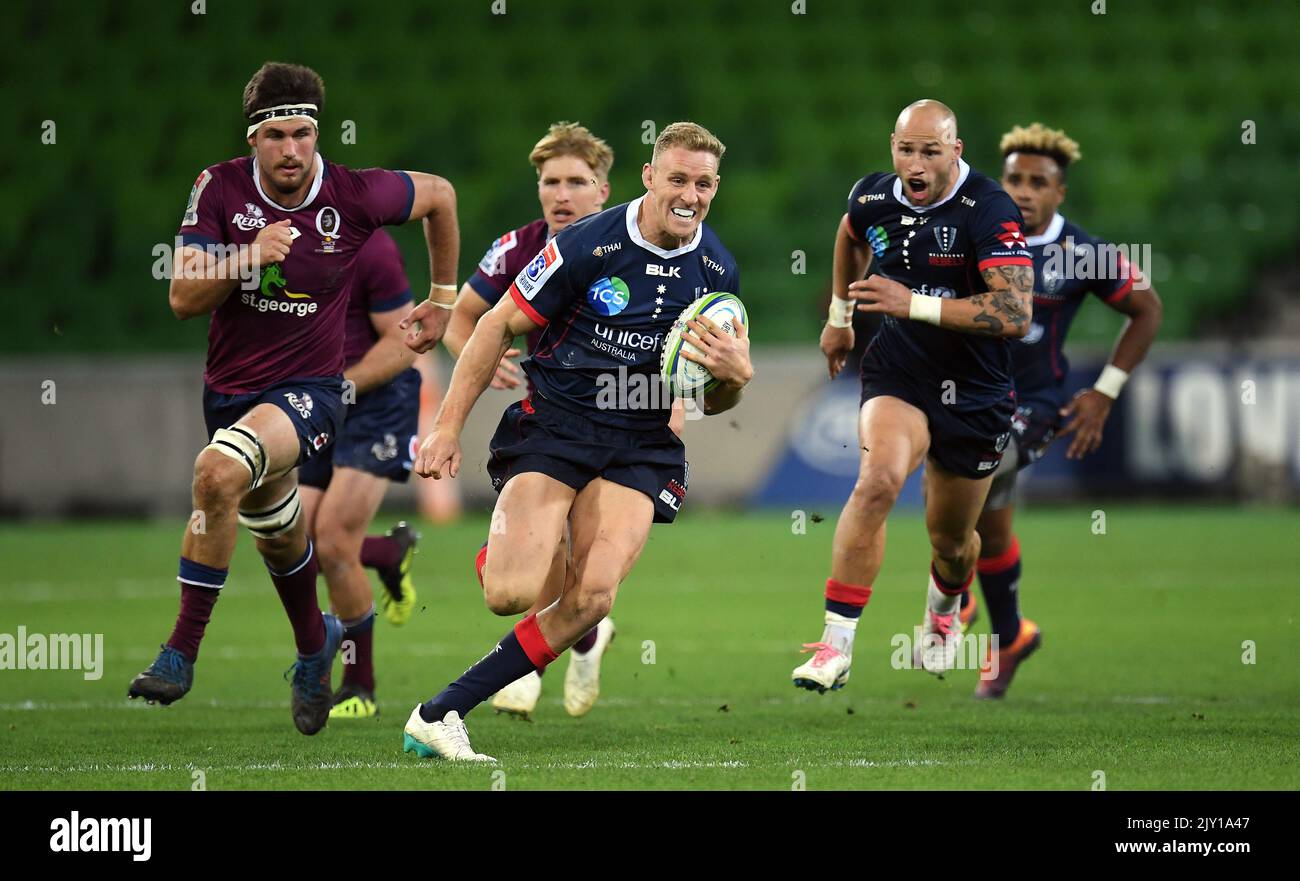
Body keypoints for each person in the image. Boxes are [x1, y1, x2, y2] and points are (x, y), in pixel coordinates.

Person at [401, 121, 752, 761]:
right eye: (677, 179)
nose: (689, 196)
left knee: (591, 598)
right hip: (559, 427)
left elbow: (710, 398)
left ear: (715, 188)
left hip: (641, 441)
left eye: (703, 184)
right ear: (649, 178)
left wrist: (735, 377)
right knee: (509, 595)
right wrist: (447, 427)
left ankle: (440, 712)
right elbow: (493, 325)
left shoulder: (717, 269)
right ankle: (522, 543)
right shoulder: (586, 244)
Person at [128, 62, 459, 736]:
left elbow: (440, 195)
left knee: (216, 473)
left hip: (312, 392)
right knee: (281, 539)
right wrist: (247, 255)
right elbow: (183, 297)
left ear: (317, 133)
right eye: (275, 135)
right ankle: (315, 645)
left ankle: (181, 651)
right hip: (230, 393)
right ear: (253, 138)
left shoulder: (354, 196)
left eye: (302, 133)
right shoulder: (218, 188)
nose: (290, 149)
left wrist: (444, 298)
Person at [791, 99, 1033, 693]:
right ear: (892, 147)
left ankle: (944, 608)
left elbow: (1015, 312)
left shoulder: (989, 209)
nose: (916, 164)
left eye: (931, 151)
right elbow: (849, 234)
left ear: (956, 150)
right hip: (901, 372)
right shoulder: (874, 195)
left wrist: (913, 303)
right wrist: (840, 318)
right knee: (877, 481)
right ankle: (835, 646)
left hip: (976, 390)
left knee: (952, 542)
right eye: (906, 150)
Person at [957, 123, 1162, 698]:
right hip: (969, 395)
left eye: (1038, 182)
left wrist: (1105, 391)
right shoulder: (975, 234)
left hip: (1034, 403)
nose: (1023, 191)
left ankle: (951, 589)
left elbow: (1147, 309)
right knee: (990, 529)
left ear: (1059, 192)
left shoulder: (1083, 254)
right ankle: (1011, 637)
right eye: (1014, 179)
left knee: (976, 467)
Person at [442, 122, 619, 720]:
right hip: (549, 418)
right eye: (550, 182)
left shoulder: (628, 248)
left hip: (622, 421)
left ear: (604, 190)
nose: (562, 194)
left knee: (582, 558)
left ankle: (571, 643)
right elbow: (462, 319)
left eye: (577, 182)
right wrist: (480, 356)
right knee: (546, 543)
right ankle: (569, 646)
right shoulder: (517, 249)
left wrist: (672, 408)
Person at [297, 228, 428, 720]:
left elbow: (406, 343)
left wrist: (340, 386)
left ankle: (359, 687)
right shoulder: (275, 242)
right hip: (314, 399)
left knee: (333, 540)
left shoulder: (370, 247)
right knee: (291, 543)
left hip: (378, 403)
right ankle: (388, 553)